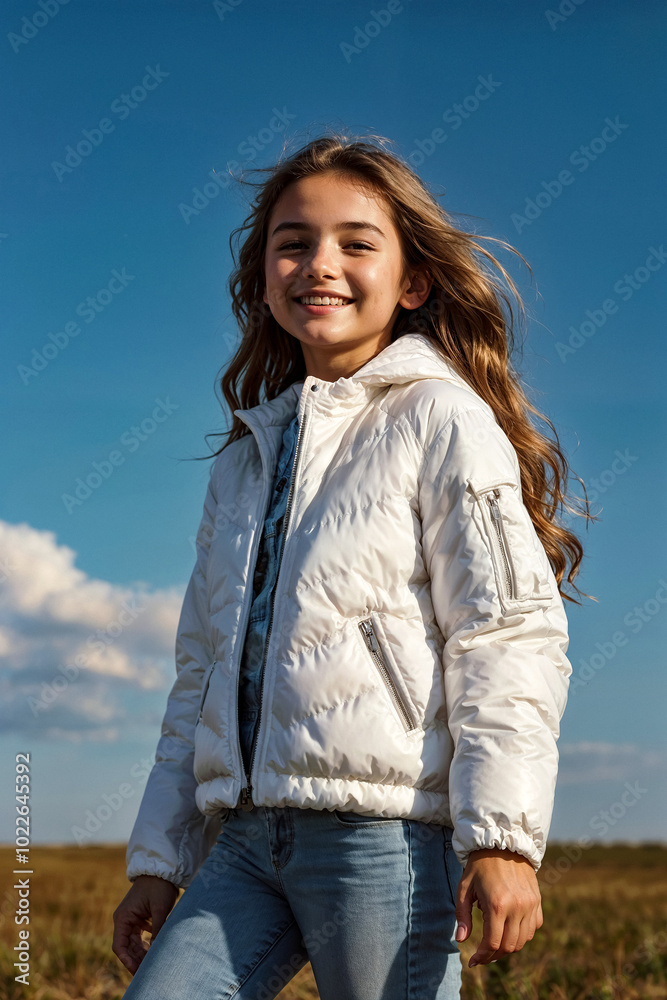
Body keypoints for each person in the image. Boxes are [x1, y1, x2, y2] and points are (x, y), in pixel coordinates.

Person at [112, 131, 591, 999]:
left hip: (387, 839)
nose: (317, 264)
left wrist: (500, 839)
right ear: (263, 277)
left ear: (411, 282)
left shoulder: (441, 416)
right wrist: (162, 855)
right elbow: (201, 671)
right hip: (245, 842)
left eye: (355, 243)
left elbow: (505, 632)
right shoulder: (244, 459)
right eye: (291, 243)